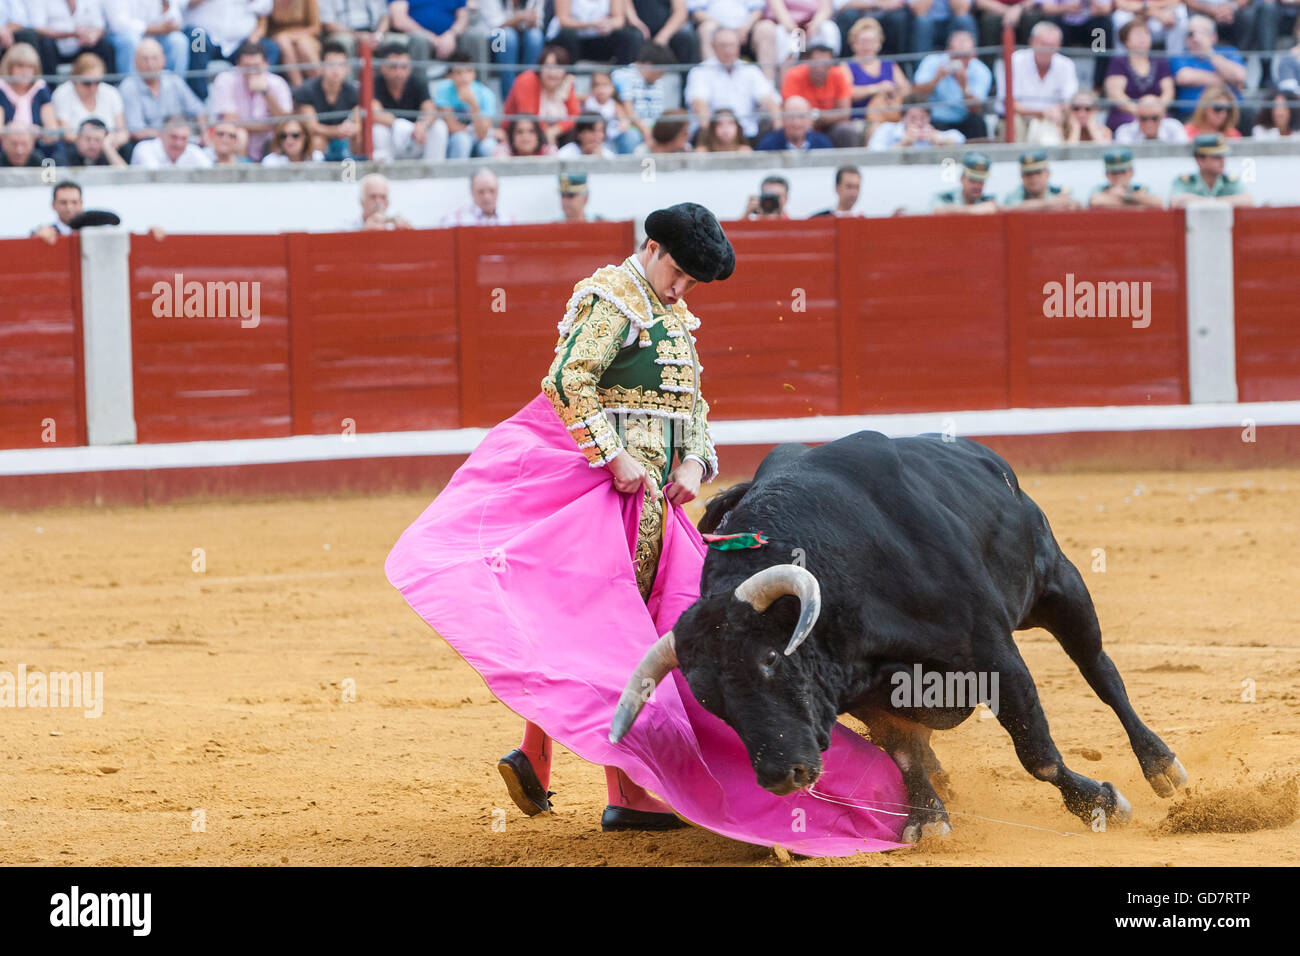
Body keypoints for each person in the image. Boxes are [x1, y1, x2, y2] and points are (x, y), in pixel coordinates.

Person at [387, 203, 732, 834]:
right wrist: (616, 454)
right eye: (678, 273)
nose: (681, 289)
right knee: (613, 632)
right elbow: (567, 381)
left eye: (691, 282)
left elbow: (693, 405)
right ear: (652, 247)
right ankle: (626, 792)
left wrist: (694, 463)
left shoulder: (674, 314)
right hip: (608, 495)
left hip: (656, 499)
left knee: (621, 628)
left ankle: (537, 756)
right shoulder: (615, 296)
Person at [684, 27, 779, 142]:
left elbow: (768, 98)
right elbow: (699, 103)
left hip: (747, 135)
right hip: (713, 136)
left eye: (732, 45)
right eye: (723, 45)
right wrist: (707, 138)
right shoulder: (700, 71)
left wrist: (778, 129)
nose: (728, 50)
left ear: (738, 46)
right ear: (713, 47)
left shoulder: (751, 70)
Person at [210, 40, 293, 161]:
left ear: (266, 64)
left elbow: (285, 122)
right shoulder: (225, 80)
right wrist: (271, 125)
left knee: (288, 137)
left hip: (269, 142)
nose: (252, 71)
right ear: (238, 65)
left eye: (256, 66)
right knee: (240, 135)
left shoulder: (278, 83)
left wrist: (265, 93)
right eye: (247, 67)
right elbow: (230, 121)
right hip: (239, 141)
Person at [996, 20, 1078, 142]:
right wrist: (1041, 113)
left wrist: (1056, 111)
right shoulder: (1015, 61)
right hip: (1020, 118)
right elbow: (1008, 103)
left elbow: (1069, 100)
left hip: (1051, 119)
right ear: (1032, 42)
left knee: (1068, 119)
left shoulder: (1066, 65)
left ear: (1059, 46)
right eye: (1043, 44)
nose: (1047, 49)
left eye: (1052, 45)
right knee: (1014, 122)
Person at [119, 38, 208, 149]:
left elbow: (198, 110)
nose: (150, 64)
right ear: (135, 62)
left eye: (154, 58)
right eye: (145, 59)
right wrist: (169, 135)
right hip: (149, 146)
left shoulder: (173, 80)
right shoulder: (128, 87)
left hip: (183, 141)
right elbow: (136, 132)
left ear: (163, 60)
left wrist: (204, 133)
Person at [183, 0, 280, 101]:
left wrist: (255, 36)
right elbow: (183, 5)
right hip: (205, 37)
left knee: (270, 48)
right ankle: (199, 101)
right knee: (197, 41)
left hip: (240, 42)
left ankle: (260, 94)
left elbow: (264, 11)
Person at [911, 28, 991, 144]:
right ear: (948, 51)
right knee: (924, 121)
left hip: (964, 118)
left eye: (965, 56)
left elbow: (976, 108)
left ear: (974, 55)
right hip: (936, 119)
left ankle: (978, 160)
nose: (960, 61)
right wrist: (936, 79)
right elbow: (915, 93)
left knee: (978, 122)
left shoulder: (981, 71)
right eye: (956, 56)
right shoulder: (932, 62)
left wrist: (964, 86)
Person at [370, 40, 445, 161]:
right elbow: (374, 113)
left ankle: (433, 172)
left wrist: (423, 125)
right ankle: (385, 174)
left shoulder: (418, 82)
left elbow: (430, 109)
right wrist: (398, 125)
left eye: (404, 67)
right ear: (383, 67)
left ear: (410, 67)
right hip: (391, 139)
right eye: (393, 67)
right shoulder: (375, 84)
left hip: (417, 138)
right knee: (377, 130)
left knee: (439, 127)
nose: (399, 73)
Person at [501, 44, 582, 152]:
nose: (553, 72)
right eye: (549, 66)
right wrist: (548, 133)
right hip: (525, 136)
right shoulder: (526, 80)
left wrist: (555, 130)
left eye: (559, 67)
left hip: (555, 136)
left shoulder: (566, 83)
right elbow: (529, 118)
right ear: (540, 66)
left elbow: (574, 115)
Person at [844, 17, 909, 145]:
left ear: (879, 43)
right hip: (861, 120)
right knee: (877, 130)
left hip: (890, 117)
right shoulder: (846, 66)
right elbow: (847, 92)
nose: (867, 46)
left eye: (872, 41)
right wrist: (876, 88)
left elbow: (906, 90)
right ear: (854, 44)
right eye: (863, 41)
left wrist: (893, 91)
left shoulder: (889, 64)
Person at [1103, 17, 1174, 133]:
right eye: (1137, 34)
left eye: (1146, 33)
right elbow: (1116, 95)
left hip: (1157, 114)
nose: (1143, 38)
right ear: (1125, 41)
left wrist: (1155, 110)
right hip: (1126, 115)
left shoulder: (1160, 62)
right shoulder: (1118, 62)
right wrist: (1141, 112)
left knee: (1170, 125)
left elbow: (1168, 92)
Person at [292, 39, 360, 158]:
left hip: (344, 138)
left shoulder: (353, 91)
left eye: (341, 65)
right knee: (317, 141)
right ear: (322, 67)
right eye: (331, 65)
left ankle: (359, 170)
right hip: (318, 138)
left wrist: (352, 129)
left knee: (359, 137)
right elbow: (310, 127)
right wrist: (336, 131)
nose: (336, 70)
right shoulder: (307, 90)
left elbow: (359, 122)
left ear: (347, 68)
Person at [51, 52, 129, 154]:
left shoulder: (111, 93)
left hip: (108, 149)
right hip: (76, 150)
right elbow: (66, 134)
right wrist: (93, 143)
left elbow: (123, 132)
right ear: (75, 79)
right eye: (87, 83)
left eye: (97, 82)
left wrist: (106, 144)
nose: (93, 88)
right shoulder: (62, 94)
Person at [1169, 14, 1244, 118]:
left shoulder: (1229, 51)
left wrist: (1209, 53)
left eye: (1201, 32)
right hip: (1193, 116)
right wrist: (1227, 81)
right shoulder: (1180, 56)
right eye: (1191, 34)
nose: (1195, 38)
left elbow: (1239, 76)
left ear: (1214, 37)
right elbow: (1184, 77)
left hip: (1229, 113)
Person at [780, 44, 854, 146]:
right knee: (793, 126)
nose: (820, 68)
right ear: (807, 62)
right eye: (816, 63)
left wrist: (815, 115)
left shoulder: (839, 75)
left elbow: (845, 113)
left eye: (825, 64)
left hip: (830, 126)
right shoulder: (794, 75)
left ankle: (847, 162)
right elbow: (789, 109)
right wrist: (811, 118)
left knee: (845, 129)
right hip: (801, 125)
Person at [432, 49, 500, 158]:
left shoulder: (486, 94)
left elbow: (483, 134)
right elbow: (452, 127)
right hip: (455, 138)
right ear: (449, 76)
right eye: (458, 72)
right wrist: (479, 131)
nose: (464, 77)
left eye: (468, 71)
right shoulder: (443, 89)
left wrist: (473, 104)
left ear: (474, 73)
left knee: (489, 146)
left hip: (478, 137)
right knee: (462, 140)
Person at [612, 41, 676, 152]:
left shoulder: (658, 81)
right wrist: (647, 132)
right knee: (630, 137)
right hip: (632, 126)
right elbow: (628, 110)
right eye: (660, 72)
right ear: (648, 65)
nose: (661, 77)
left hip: (654, 127)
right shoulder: (623, 75)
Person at [105, 0, 190, 76]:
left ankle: (175, 86)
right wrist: (153, 29)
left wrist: (166, 6)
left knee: (178, 41)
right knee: (131, 41)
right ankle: (131, 86)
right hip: (125, 36)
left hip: (157, 35)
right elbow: (118, 24)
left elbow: (176, 20)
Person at [1168, 130, 1254, 205]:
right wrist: (1220, 202)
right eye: (1216, 156)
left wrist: (1207, 202)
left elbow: (1248, 201)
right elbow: (1175, 202)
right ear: (1200, 160)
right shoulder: (1184, 182)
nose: (1222, 160)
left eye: (1223, 156)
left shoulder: (1230, 181)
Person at [481, 0, 545, 98]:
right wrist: (519, 18)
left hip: (523, 40)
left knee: (535, 36)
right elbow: (495, 25)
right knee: (507, 36)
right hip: (495, 45)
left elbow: (539, 22)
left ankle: (527, 93)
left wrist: (529, 20)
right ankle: (510, 99)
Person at [545, 0, 642, 64]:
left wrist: (609, 24)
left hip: (599, 40)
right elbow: (563, 20)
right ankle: (569, 78)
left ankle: (622, 77)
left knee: (631, 36)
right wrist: (591, 24)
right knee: (568, 35)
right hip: (572, 41)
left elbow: (619, 20)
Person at [867, 94, 966, 149]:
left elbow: (960, 139)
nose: (918, 123)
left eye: (923, 118)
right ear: (903, 117)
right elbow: (874, 152)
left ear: (929, 118)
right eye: (913, 118)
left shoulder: (933, 134)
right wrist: (902, 143)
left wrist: (941, 140)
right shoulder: (887, 129)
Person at [624, 0, 698, 64]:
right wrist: (638, 26)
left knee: (687, 38)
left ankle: (686, 78)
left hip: (666, 29)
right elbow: (627, 7)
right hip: (638, 29)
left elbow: (680, 12)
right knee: (633, 37)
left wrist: (663, 37)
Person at [1001, 148, 1080, 208]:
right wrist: (1048, 204)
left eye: (1038, 173)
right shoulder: (1014, 195)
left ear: (1047, 174)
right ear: (1022, 177)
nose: (1033, 178)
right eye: (1028, 174)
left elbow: (1078, 205)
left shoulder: (1060, 192)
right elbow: (1010, 208)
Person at [267, 0, 321, 87]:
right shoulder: (270, 2)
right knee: (284, 42)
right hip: (279, 36)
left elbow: (315, 27)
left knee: (303, 46)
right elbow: (267, 28)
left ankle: (319, 85)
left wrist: (294, 36)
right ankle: (299, 87)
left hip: (304, 35)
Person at [1087, 147, 1163, 207]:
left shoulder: (1142, 188)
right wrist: (1138, 202)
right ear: (1106, 174)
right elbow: (1095, 202)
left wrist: (1125, 195)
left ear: (1131, 173)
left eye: (1122, 172)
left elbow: (1158, 202)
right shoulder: (1099, 189)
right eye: (1114, 172)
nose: (1118, 176)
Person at [440, 166, 515, 225]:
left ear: (498, 191)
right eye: (481, 192)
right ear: (472, 192)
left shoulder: (509, 220)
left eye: (492, 191)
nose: (487, 197)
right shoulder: (453, 221)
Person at [129, 112, 213, 165]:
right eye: (174, 137)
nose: (178, 143)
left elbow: (210, 174)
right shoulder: (144, 149)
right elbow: (156, 179)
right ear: (161, 135)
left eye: (183, 138)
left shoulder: (193, 150)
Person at [931, 149, 998, 213]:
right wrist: (975, 209)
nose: (976, 185)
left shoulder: (988, 200)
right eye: (972, 180)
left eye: (981, 181)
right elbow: (937, 210)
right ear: (962, 179)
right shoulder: (946, 198)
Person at [755, 94, 834, 148]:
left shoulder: (823, 144)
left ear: (810, 120)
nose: (796, 123)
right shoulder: (768, 145)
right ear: (783, 119)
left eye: (801, 117)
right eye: (791, 117)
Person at [1114, 93, 1188, 141]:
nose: (1149, 123)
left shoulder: (1174, 127)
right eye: (1143, 118)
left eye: (1155, 118)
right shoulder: (1125, 131)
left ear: (1163, 116)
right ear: (1136, 116)